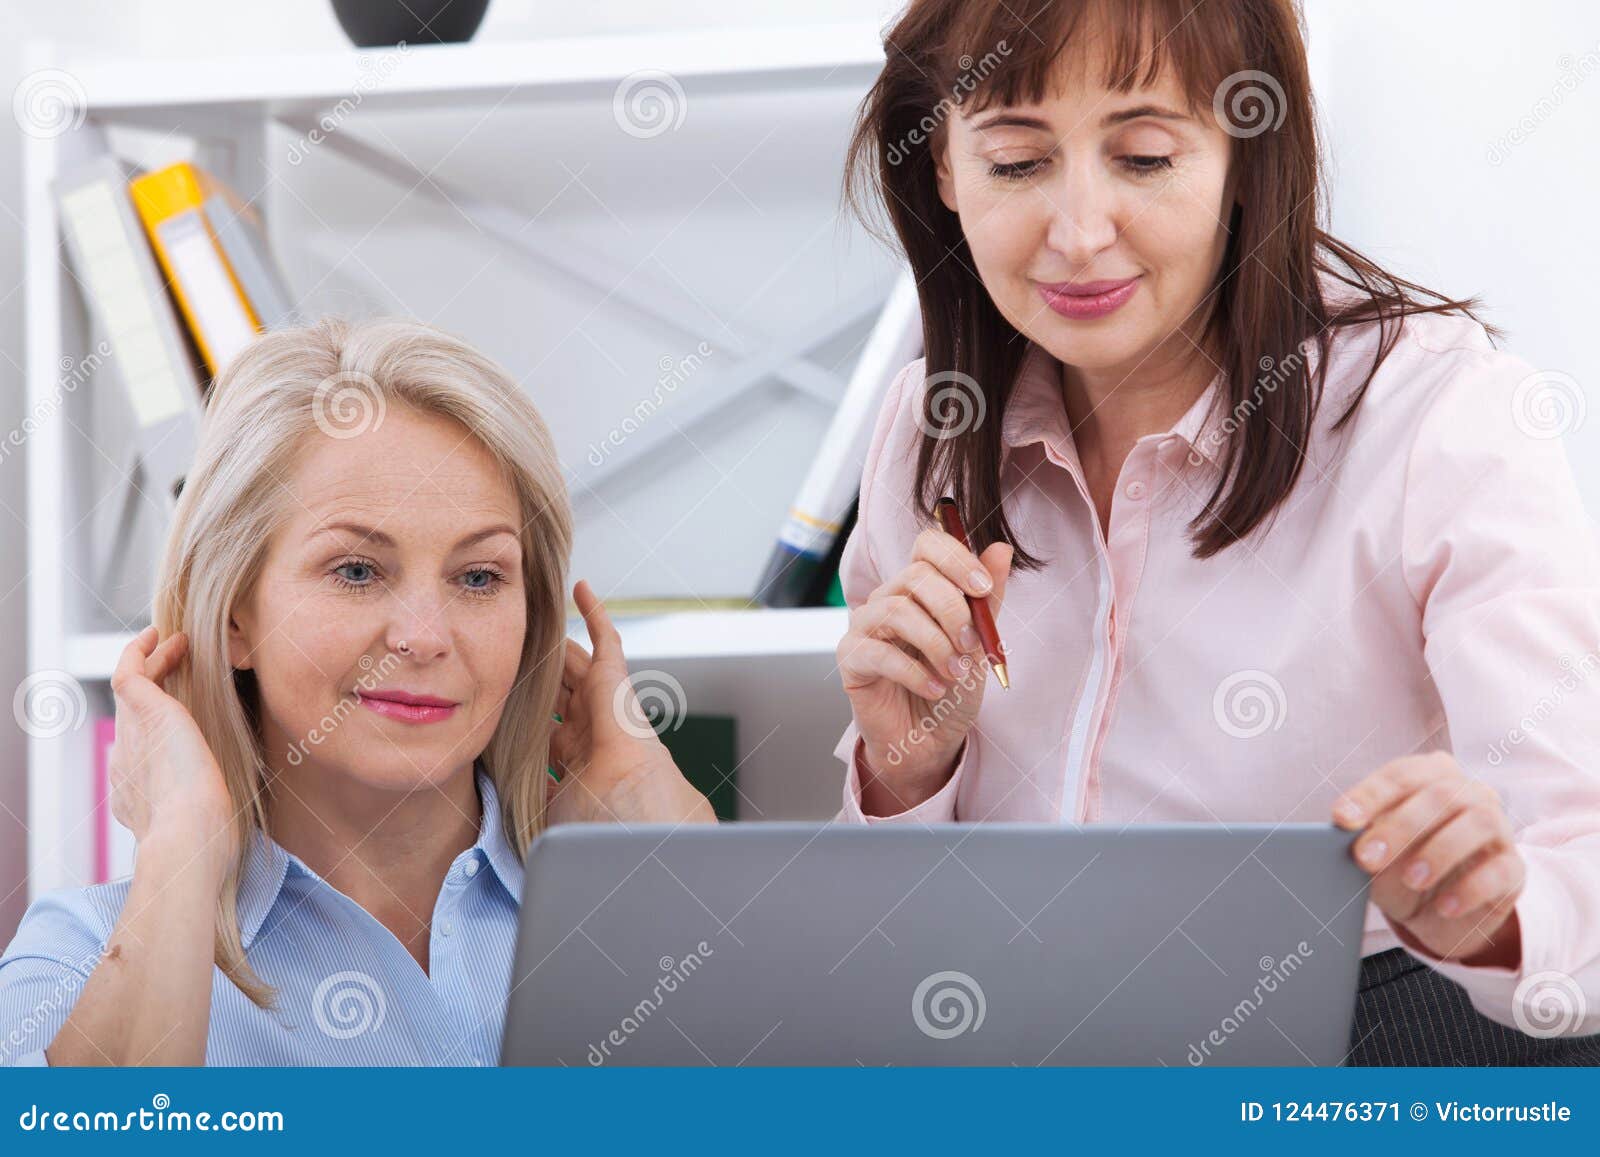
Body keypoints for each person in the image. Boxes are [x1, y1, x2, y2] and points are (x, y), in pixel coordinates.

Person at [830, 0, 1600, 1063]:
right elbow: (881, 929)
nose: (1079, 231)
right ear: (944, 172)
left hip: (1384, 1027)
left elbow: (1581, 850)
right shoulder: (928, 427)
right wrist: (905, 770)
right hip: (1025, 1032)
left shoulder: (1433, 411)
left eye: (1144, 155)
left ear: (1248, 147)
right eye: (1015, 163)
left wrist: (1492, 912)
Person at [0, 318, 713, 1066]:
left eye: (479, 577)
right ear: (234, 613)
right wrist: (182, 844)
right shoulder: (76, 960)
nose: (424, 636)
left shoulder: (641, 917)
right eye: (357, 570)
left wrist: (677, 849)